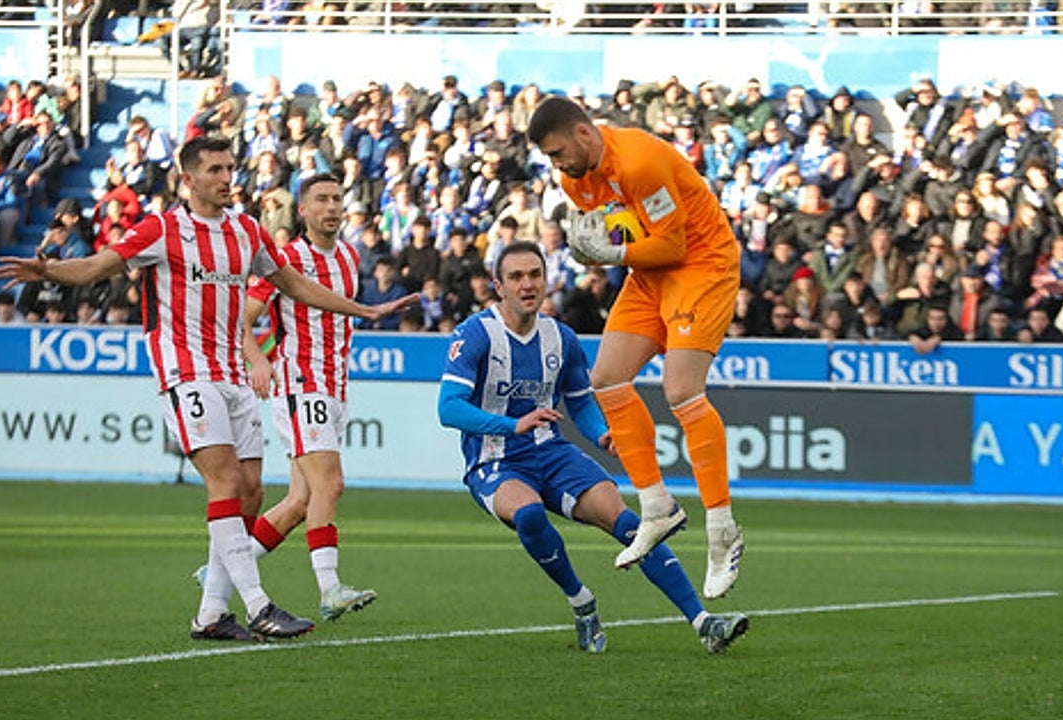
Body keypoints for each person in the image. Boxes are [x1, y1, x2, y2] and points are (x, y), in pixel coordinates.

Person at [0, 136, 408, 642]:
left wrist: (362, 310)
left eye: (231, 166)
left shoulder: (247, 231)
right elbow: (98, 265)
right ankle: (258, 606)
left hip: (233, 373)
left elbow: (294, 285)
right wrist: (50, 269)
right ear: (188, 178)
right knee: (226, 482)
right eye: (215, 168)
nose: (226, 176)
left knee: (253, 492)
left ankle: (210, 613)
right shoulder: (162, 229)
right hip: (185, 369)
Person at [437, 240, 748, 654]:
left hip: (552, 453)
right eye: (516, 277)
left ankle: (704, 622)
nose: (527, 284)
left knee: (633, 526)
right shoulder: (475, 334)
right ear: (498, 286)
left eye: (535, 274)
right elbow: (448, 408)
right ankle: (581, 602)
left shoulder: (560, 337)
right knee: (529, 514)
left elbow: (581, 401)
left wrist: (601, 432)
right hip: (495, 459)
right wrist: (513, 425)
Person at [527, 95, 744, 601]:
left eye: (559, 153)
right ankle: (657, 507)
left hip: (701, 265)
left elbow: (673, 245)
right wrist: (596, 248)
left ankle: (722, 529)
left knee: (681, 389)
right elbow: (620, 230)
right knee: (606, 378)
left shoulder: (640, 162)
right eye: (550, 158)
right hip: (650, 275)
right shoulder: (572, 178)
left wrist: (613, 251)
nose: (556, 166)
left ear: (584, 134)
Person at [210, 173, 418, 621]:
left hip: (335, 386)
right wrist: (259, 361)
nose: (331, 207)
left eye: (337, 199)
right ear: (302, 210)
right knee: (331, 484)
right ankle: (330, 589)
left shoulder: (347, 255)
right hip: (301, 382)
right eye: (321, 200)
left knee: (301, 502)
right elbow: (241, 318)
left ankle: (222, 575)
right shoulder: (287, 259)